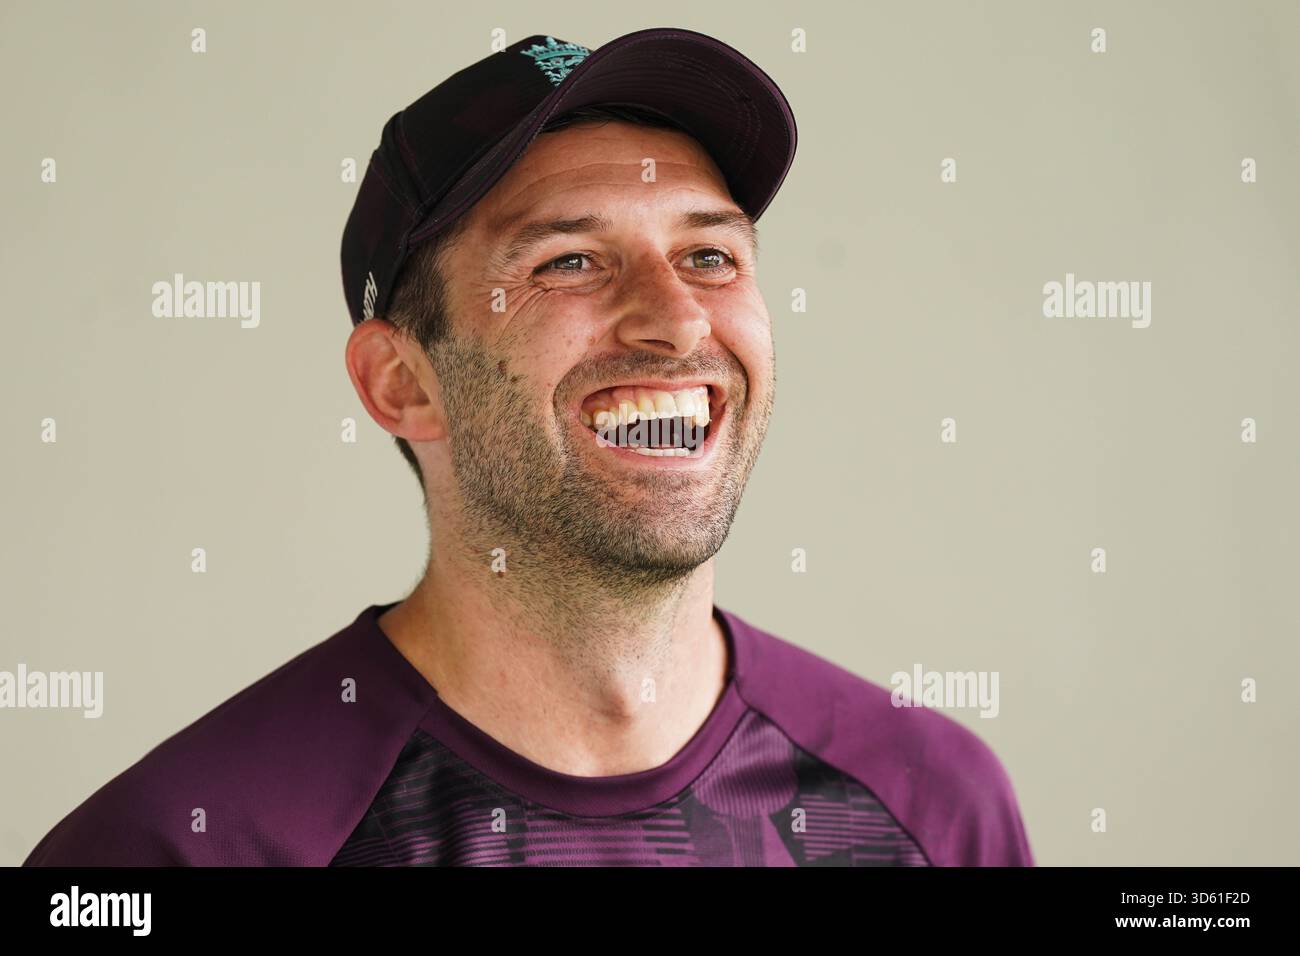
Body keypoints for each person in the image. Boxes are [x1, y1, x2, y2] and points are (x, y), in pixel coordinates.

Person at [25, 27, 1033, 866]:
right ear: (401, 382)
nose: (677, 322)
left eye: (710, 254)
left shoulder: (931, 806)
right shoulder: (182, 847)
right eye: (572, 261)